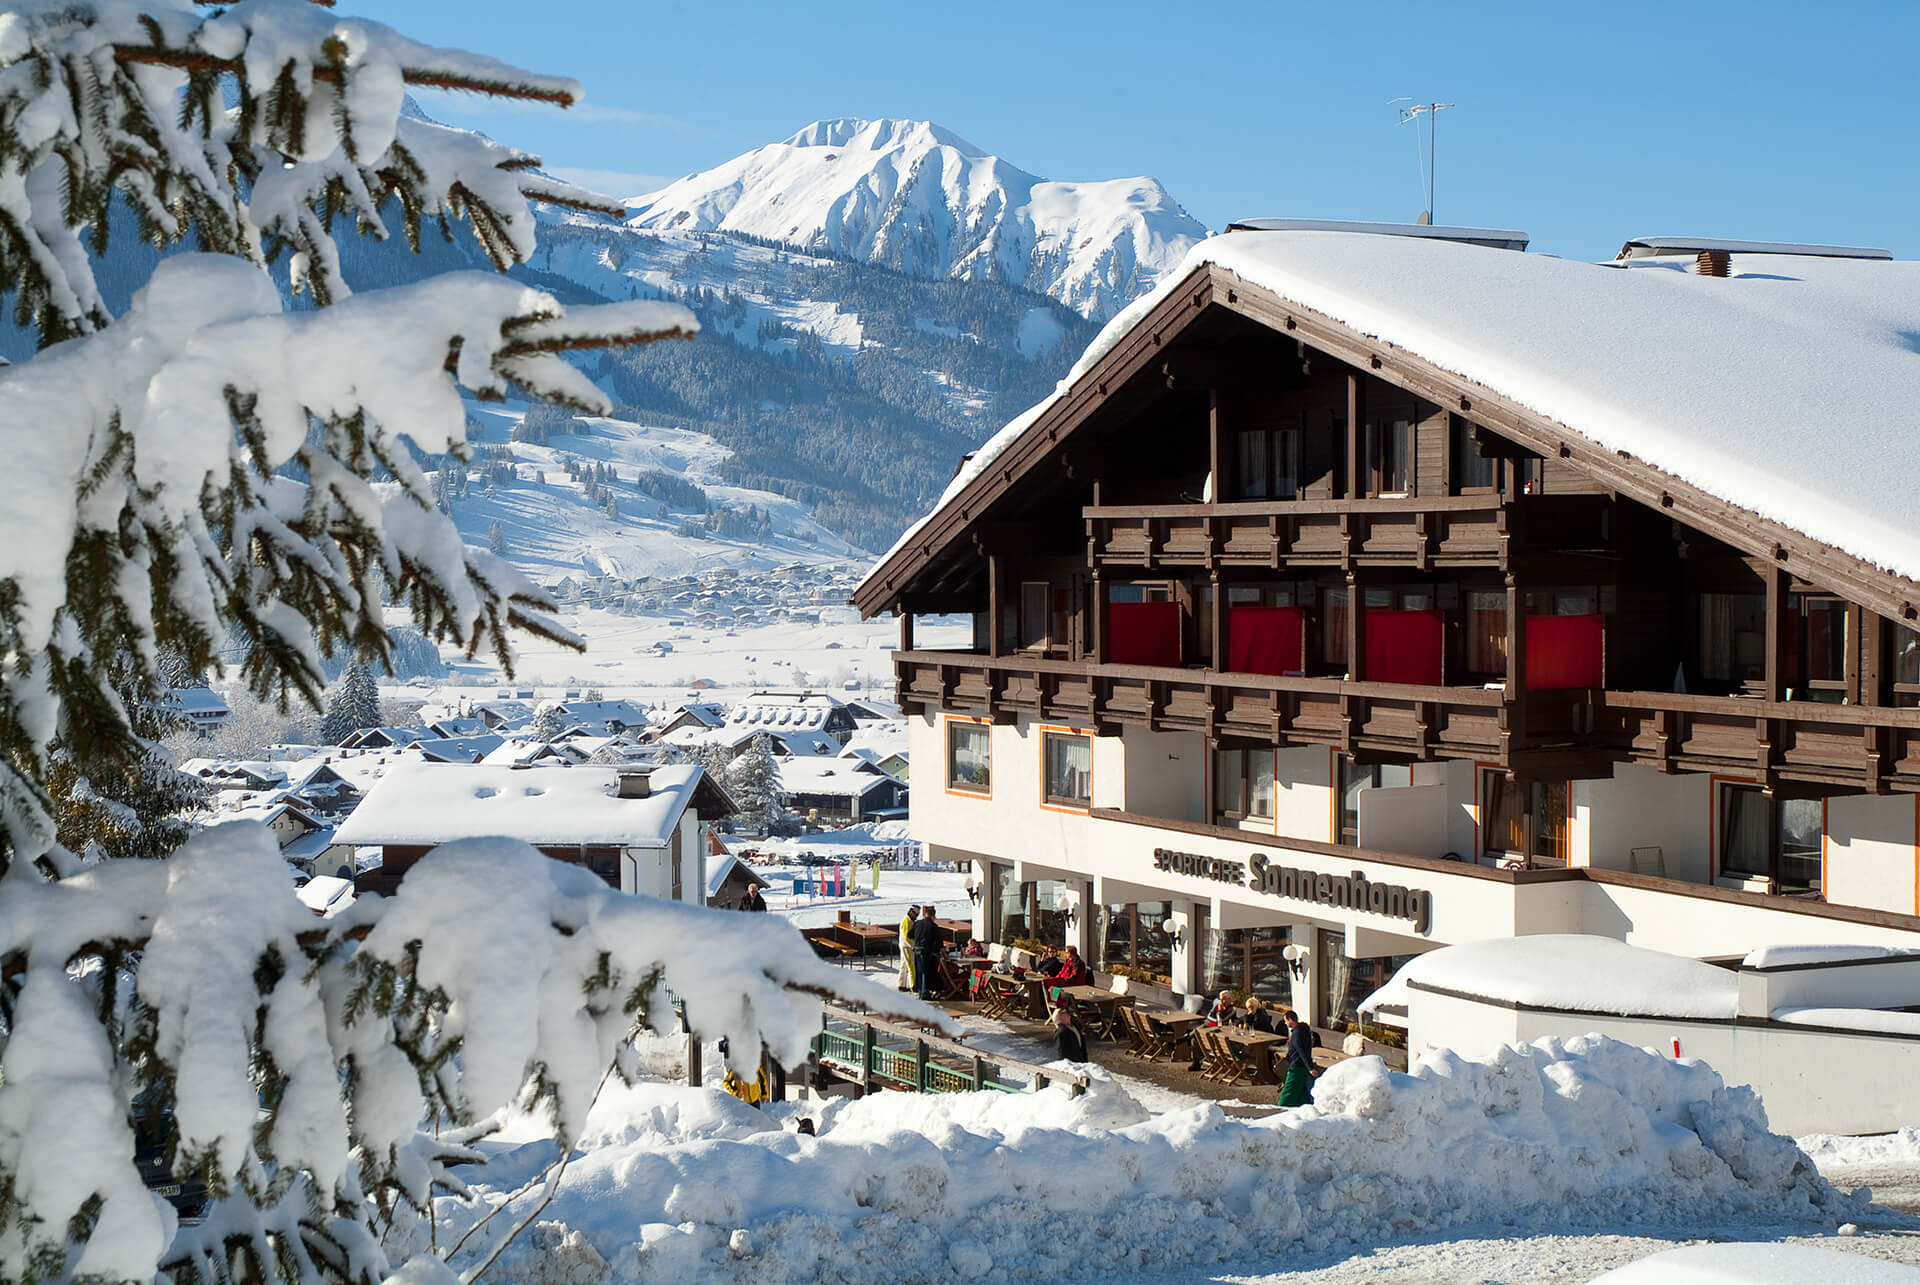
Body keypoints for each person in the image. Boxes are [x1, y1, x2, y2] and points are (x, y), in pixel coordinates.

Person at [1278, 1008, 1315, 1108]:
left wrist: (1310, 1068)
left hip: (1296, 1066)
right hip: (1301, 1066)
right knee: (1301, 1091)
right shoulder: (1303, 1030)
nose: (1285, 1023)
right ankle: (1307, 1107)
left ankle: (1279, 1110)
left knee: (1288, 1091)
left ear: (1290, 1019)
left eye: (1285, 1021)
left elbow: (1301, 1051)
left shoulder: (1297, 1033)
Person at [909, 904, 944, 1000]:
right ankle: (925, 993)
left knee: (919, 972)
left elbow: (909, 935)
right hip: (926, 951)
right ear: (933, 916)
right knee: (926, 972)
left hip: (916, 950)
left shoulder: (917, 923)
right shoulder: (934, 926)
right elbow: (939, 943)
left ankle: (920, 991)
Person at [897, 907, 919, 993]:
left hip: (904, 945)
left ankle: (901, 984)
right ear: (911, 912)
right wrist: (913, 945)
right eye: (916, 914)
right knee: (911, 966)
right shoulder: (907, 921)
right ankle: (913, 985)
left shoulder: (909, 920)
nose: (916, 916)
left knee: (904, 965)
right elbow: (906, 936)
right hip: (907, 946)